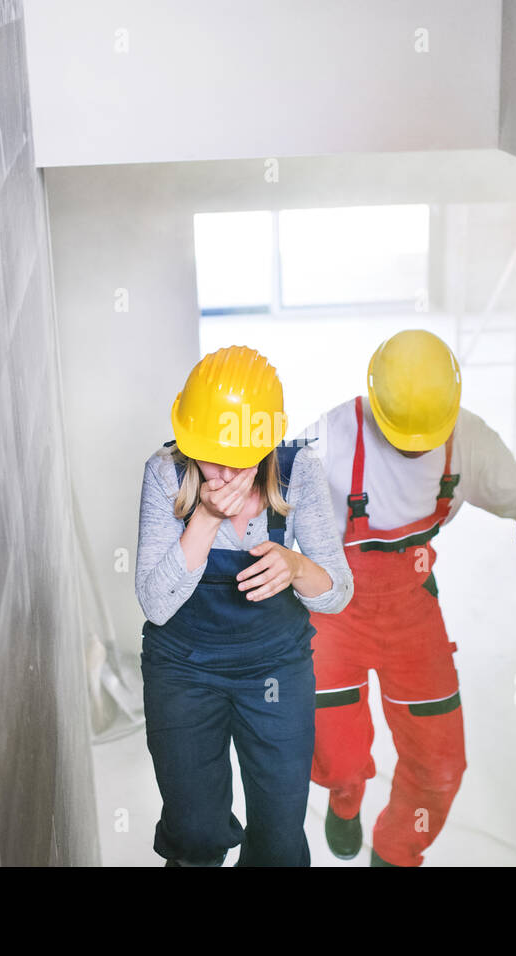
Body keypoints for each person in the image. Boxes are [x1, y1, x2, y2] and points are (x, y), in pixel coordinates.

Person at [301, 329, 516, 867]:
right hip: (332, 603)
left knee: (440, 763)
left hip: (410, 610)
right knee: (337, 751)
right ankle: (344, 796)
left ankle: (395, 851)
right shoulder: (328, 437)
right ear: (373, 400)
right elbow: (267, 498)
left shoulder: (467, 439)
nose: (415, 446)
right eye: (403, 434)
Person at [135, 345, 353, 866]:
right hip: (183, 673)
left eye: (240, 461)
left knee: (280, 840)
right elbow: (156, 604)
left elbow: (338, 592)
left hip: (274, 671)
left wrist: (297, 568)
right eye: (212, 457)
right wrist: (205, 520)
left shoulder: (298, 471)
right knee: (195, 833)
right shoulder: (167, 472)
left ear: (266, 440)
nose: (226, 475)